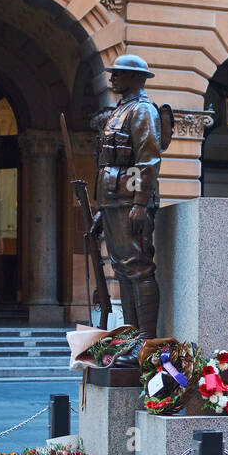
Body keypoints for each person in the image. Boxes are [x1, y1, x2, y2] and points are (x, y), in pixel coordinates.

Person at [93, 53, 171, 354]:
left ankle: (147, 344)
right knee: (122, 270)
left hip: (130, 202)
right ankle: (131, 338)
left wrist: (140, 203)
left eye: (120, 73)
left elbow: (149, 160)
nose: (113, 77)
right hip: (113, 201)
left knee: (138, 268)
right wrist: (102, 207)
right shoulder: (119, 111)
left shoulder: (142, 111)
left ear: (136, 78)